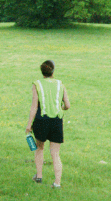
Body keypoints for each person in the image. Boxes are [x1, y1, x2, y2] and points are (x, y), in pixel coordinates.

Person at [24, 60, 71, 188]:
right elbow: (68, 105)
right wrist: (61, 108)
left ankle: (39, 176)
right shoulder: (60, 84)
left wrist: (29, 125)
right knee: (55, 153)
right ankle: (57, 183)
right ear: (53, 71)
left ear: (42, 72)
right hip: (56, 121)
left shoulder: (37, 84)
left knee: (39, 148)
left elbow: (34, 106)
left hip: (41, 120)